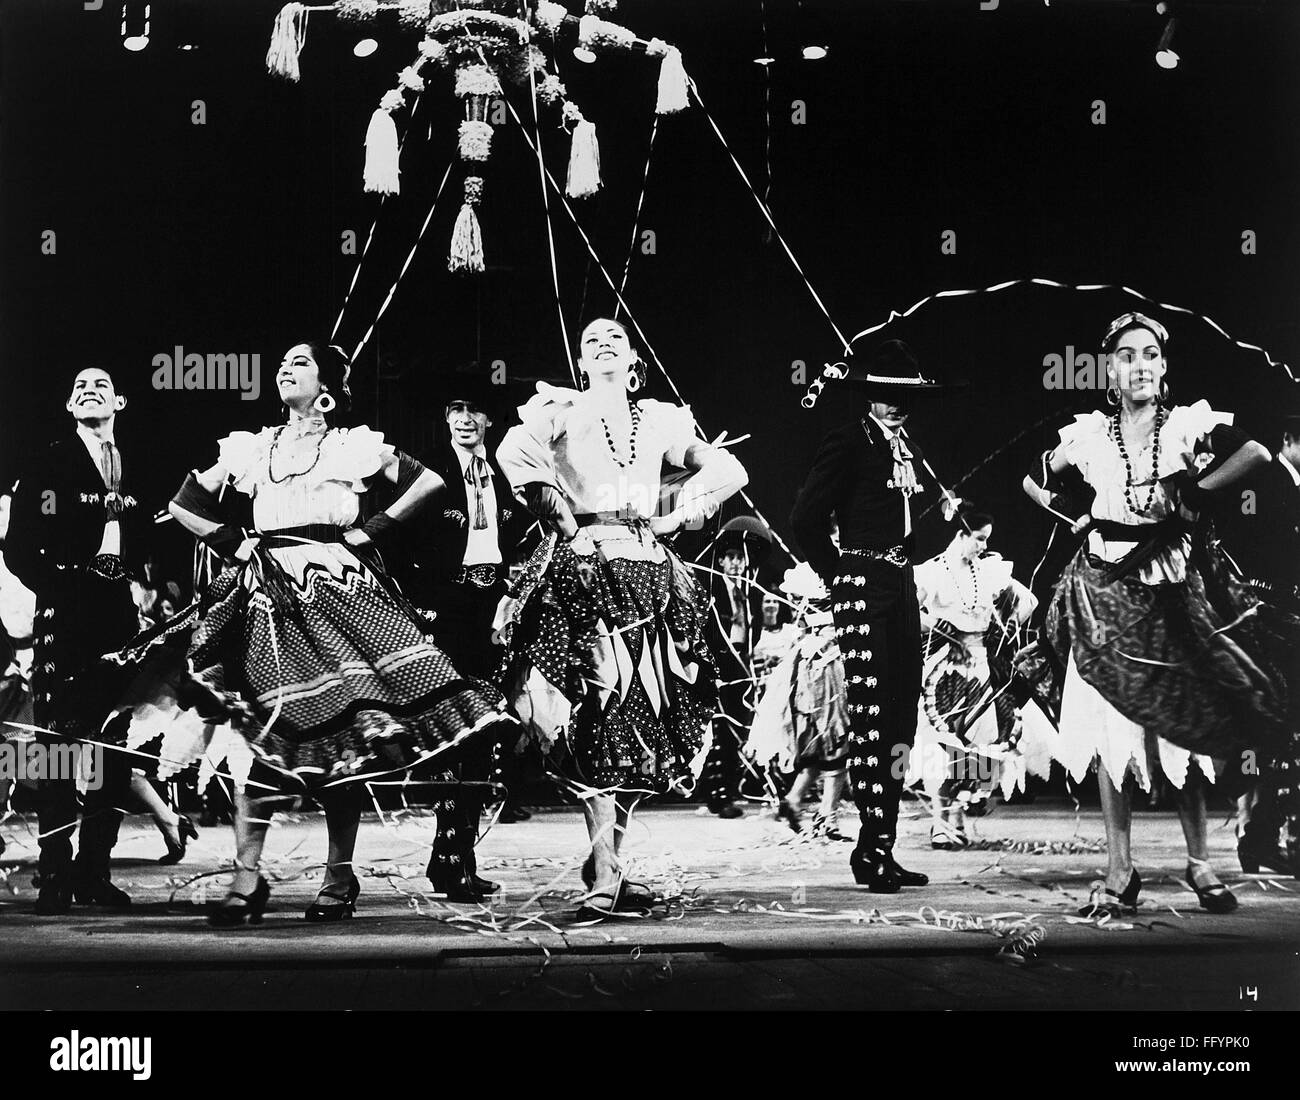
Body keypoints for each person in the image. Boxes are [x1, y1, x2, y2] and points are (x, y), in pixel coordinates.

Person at [112, 341, 518, 925]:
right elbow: (184, 503)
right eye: (280, 362)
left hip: (337, 589)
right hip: (264, 595)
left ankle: (338, 874)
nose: (284, 368)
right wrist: (234, 541)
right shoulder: (253, 446)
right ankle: (247, 876)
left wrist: (369, 531)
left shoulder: (352, 444)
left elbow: (428, 483)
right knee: (256, 735)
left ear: (328, 384)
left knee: (340, 740)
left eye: (300, 363)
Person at [1022, 312, 1279, 916]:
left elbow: (1257, 452)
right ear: (1111, 368)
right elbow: (1035, 475)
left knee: (1179, 724)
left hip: (1168, 590)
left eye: (1150, 356)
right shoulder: (1088, 434)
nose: (1140, 366)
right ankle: (1119, 868)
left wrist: (1199, 491)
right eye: (1127, 357)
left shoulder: (1189, 425)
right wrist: (1070, 511)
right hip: (1103, 596)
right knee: (1114, 732)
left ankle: (1199, 863)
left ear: (1164, 367)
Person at [496, 318, 748, 918]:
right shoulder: (559, 408)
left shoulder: (661, 418)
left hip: (647, 571)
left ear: (633, 355)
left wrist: (677, 513)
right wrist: (557, 510)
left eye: (614, 337)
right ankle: (605, 867)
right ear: (582, 360)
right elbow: (513, 453)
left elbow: (730, 471)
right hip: (584, 566)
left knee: (638, 714)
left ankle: (608, 860)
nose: (603, 344)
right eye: (590, 341)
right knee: (592, 705)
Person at [790, 339, 952, 892]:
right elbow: (805, 519)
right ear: (869, 396)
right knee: (871, 716)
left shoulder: (909, 449)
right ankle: (874, 842)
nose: (899, 405)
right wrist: (838, 574)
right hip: (861, 584)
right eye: (888, 395)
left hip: (901, 583)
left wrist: (940, 523)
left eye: (907, 396)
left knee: (903, 717)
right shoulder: (848, 441)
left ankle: (879, 844)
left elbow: (912, 525)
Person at [4, 368, 147, 913]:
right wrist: (63, 587)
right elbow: (20, 547)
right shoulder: (49, 463)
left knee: (115, 748)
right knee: (59, 749)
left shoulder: (135, 466)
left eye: (103, 384)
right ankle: (56, 876)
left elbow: (155, 529)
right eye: (80, 386)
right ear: (68, 405)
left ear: (121, 401)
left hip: (123, 622)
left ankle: (94, 873)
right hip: (66, 616)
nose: (90, 389)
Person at [390, 374, 535, 902]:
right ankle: (450, 859)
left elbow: (521, 540)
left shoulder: (507, 475)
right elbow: (396, 540)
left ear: (491, 419)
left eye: (474, 409)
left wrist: (511, 594)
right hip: (441, 613)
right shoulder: (426, 471)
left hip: (489, 612)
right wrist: (419, 606)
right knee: (451, 735)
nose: (465, 418)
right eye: (456, 408)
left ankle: (456, 859)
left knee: (483, 736)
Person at [906, 501, 1050, 848]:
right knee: (942, 745)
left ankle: (958, 815)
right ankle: (940, 822)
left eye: (986, 540)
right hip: (944, 667)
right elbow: (905, 610)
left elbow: (1027, 604)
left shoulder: (988, 571)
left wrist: (1003, 621)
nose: (984, 546)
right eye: (979, 539)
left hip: (980, 663)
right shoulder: (932, 572)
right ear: (960, 535)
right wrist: (932, 623)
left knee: (981, 745)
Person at [1208, 399, 1300, 876]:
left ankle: (1270, 831)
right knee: (1267, 726)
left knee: (1284, 731)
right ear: (1287, 442)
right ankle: (1256, 829)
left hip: (1289, 610)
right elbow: (1245, 543)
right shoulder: (1265, 482)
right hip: (1266, 610)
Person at [748, 562, 851, 839]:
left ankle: (796, 801)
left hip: (824, 656)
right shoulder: (810, 575)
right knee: (834, 737)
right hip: (824, 661)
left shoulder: (828, 570)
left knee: (826, 742)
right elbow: (805, 619)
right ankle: (827, 817)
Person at [701, 516, 771, 818]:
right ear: (723, 560)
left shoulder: (749, 592)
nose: (736, 564)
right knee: (719, 729)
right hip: (719, 664)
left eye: (740, 558)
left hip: (743, 663)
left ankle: (729, 789)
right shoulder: (713, 589)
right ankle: (718, 796)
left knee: (737, 729)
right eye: (731, 557)